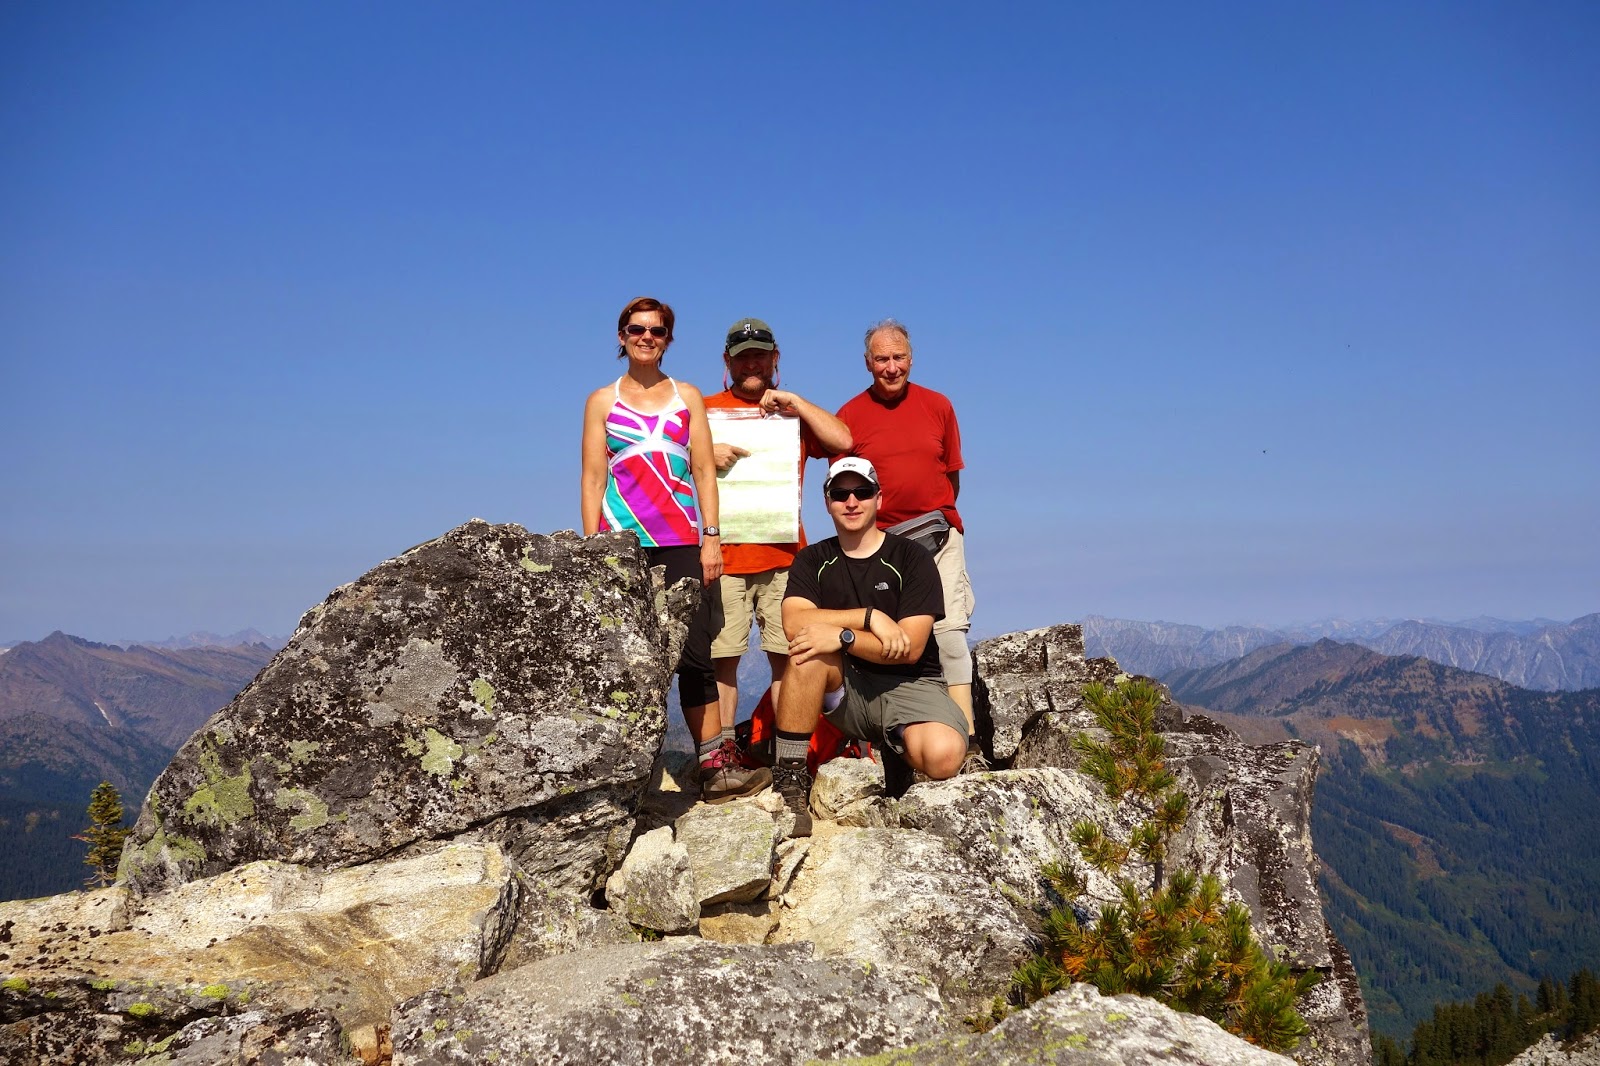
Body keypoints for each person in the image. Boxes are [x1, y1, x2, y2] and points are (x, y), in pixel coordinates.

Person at [581, 296, 771, 804]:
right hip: (621, 544)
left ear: (668, 339)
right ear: (621, 336)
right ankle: (615, 779)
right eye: (637, 329)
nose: (647, 337)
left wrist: (712, 536)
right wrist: (593, 550)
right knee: (621, 660)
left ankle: (714, 768)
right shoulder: (601, 401)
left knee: (697, 655)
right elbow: (594, 475)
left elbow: (705, 470)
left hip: (683, 539)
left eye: (657, 330)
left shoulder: (687, 397)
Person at [770, 457, 970, 836]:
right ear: (827, 502)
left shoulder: (911, 558)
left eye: (862, 492)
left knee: (944, 758)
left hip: (911, 684)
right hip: (846, 688)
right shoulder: (812, 559)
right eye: (840, 493)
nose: (851, 501)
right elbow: (794, 622)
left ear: (878, 498)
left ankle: (897, 751)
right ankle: (791, 781)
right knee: (807, 649)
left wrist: (842, 637)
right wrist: (867, 617)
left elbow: (909, 648)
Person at [835, 318, 982, 770]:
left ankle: (966, 737)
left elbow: (950, 473)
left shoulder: (938, 406)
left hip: (938, 535)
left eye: (899, 357)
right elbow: (847, 487)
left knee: (950, 635)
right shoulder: (850, 415)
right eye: (882, 358)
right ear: (867, 363)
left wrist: (939, 515)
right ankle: (893, 739)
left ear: (911, 358)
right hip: (882, 546)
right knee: (890, 644)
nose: (892, 367)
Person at [704, 317, 852, 747]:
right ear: (727, 362)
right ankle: (722, 757)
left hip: (787, 557)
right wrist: (701, 453)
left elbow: (843, 441)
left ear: (775, 358)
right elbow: (670, 463)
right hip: (724, 553)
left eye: (760, 355)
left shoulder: (791, 412)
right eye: (742, 356)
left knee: (789, 660)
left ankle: (787, 758)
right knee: (722, 661)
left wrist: (797, 403)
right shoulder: (705, 408)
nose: (752, 363)